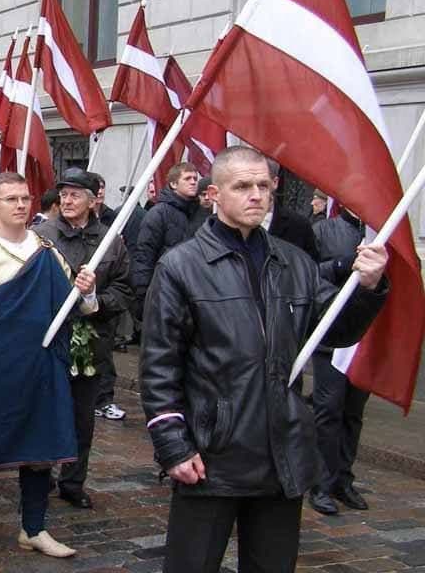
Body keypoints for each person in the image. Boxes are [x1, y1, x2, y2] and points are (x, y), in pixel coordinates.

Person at [141, 147, 389, 573]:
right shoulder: (181, 266)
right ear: (215, 194)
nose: (256, 195)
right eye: (242, 186)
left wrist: (367, 289)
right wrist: (172, 446)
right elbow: (160, 365)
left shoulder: (293, 261)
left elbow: (337, 329)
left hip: (282, 451)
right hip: (212, 453)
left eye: (263, 185)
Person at [0, 172, 97, 569]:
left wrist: (87, 289)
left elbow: (75, 306)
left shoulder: (46, 250)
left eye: (25, 198)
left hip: (44, 367)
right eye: (11, 198)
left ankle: (34, 529)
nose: (20, 205)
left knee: (40, 450)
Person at [34, 169, 133, 511]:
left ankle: (73, 481)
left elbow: (124, 289)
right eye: (64, 193)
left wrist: (94, 301)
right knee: (44, 411)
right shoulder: (41, 235)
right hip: (48, 341)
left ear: (93, 200)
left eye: (76, 194)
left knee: (82, 417)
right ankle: (40, 473)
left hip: (92, 344)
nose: (67, 200)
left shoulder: (112, 241)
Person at [308, 207, 371, 516]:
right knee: (328, 410)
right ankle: (321, 482)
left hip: (367, 338)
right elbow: (307, 271)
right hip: (332, 335)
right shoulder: (324, 229)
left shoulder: (379, 231)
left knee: (353, 412)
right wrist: (342, 265)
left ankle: (343, 480)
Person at [131, 162, 201, 317]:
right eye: (188, 178)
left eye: (195, 178)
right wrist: (143, 294)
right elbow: (144, 254)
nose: (193, 182)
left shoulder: (201, 213)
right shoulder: (158, 214)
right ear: (174, 184)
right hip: (165, 290)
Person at [264, 160, 319, 260]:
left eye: (261, 184)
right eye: (243, 186)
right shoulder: (231, 224)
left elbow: (311, 270)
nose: (254, 193)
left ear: (275, 182)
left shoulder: (299, 226)